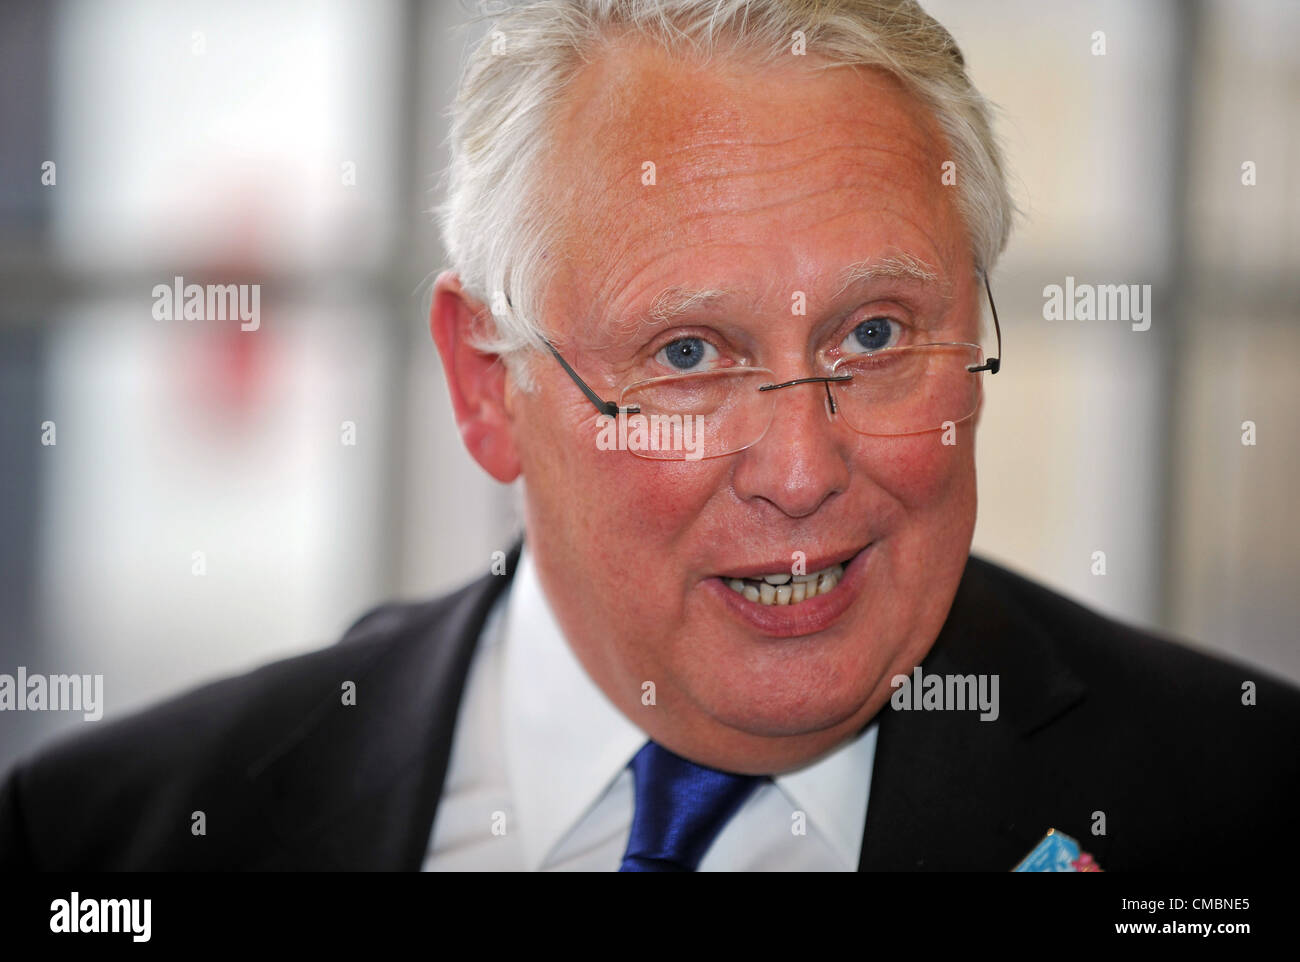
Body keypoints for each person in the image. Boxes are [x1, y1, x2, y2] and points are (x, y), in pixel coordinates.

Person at [2, 0, 1297, 872]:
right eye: (687, 356)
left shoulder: (1244, 803)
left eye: (879, 336)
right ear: (484, 384)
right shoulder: (109, 836)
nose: (802, 470)